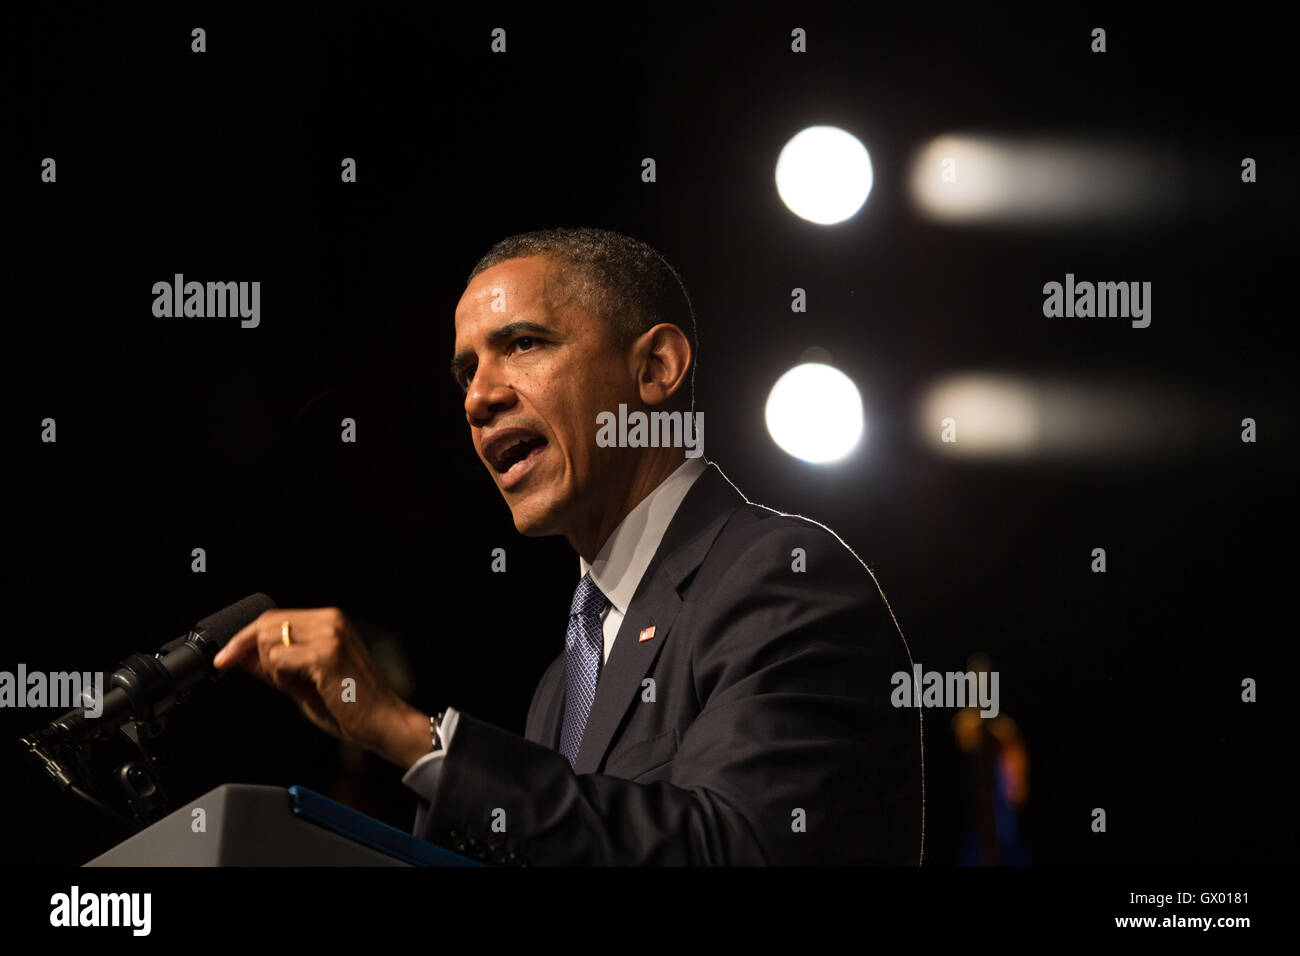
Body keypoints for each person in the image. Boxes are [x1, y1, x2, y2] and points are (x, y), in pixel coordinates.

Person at [215, 227, 923, 865]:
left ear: (655, 369)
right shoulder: (561, 686)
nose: (477, 399)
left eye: (522, 344)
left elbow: (743, 848)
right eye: (466, 373)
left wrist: (416, 739)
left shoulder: (782, 578)